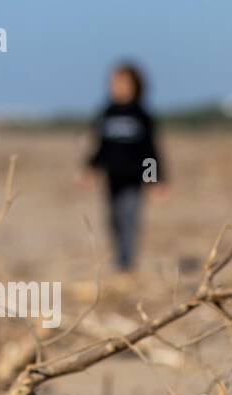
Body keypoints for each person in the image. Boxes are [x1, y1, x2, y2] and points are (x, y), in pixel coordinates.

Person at [83, 62, 165, 272]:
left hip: (134, 179)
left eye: (123, 83)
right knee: (113, 219)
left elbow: (151, 150)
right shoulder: (106, 113)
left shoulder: (142, 115)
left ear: (136, 86)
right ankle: (118, 257)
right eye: (114, 83)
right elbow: (100, 147)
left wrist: (155, 180)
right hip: (112, 177)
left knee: (129, 218)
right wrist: (89, 169)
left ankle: (127, 263)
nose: (118, 87)